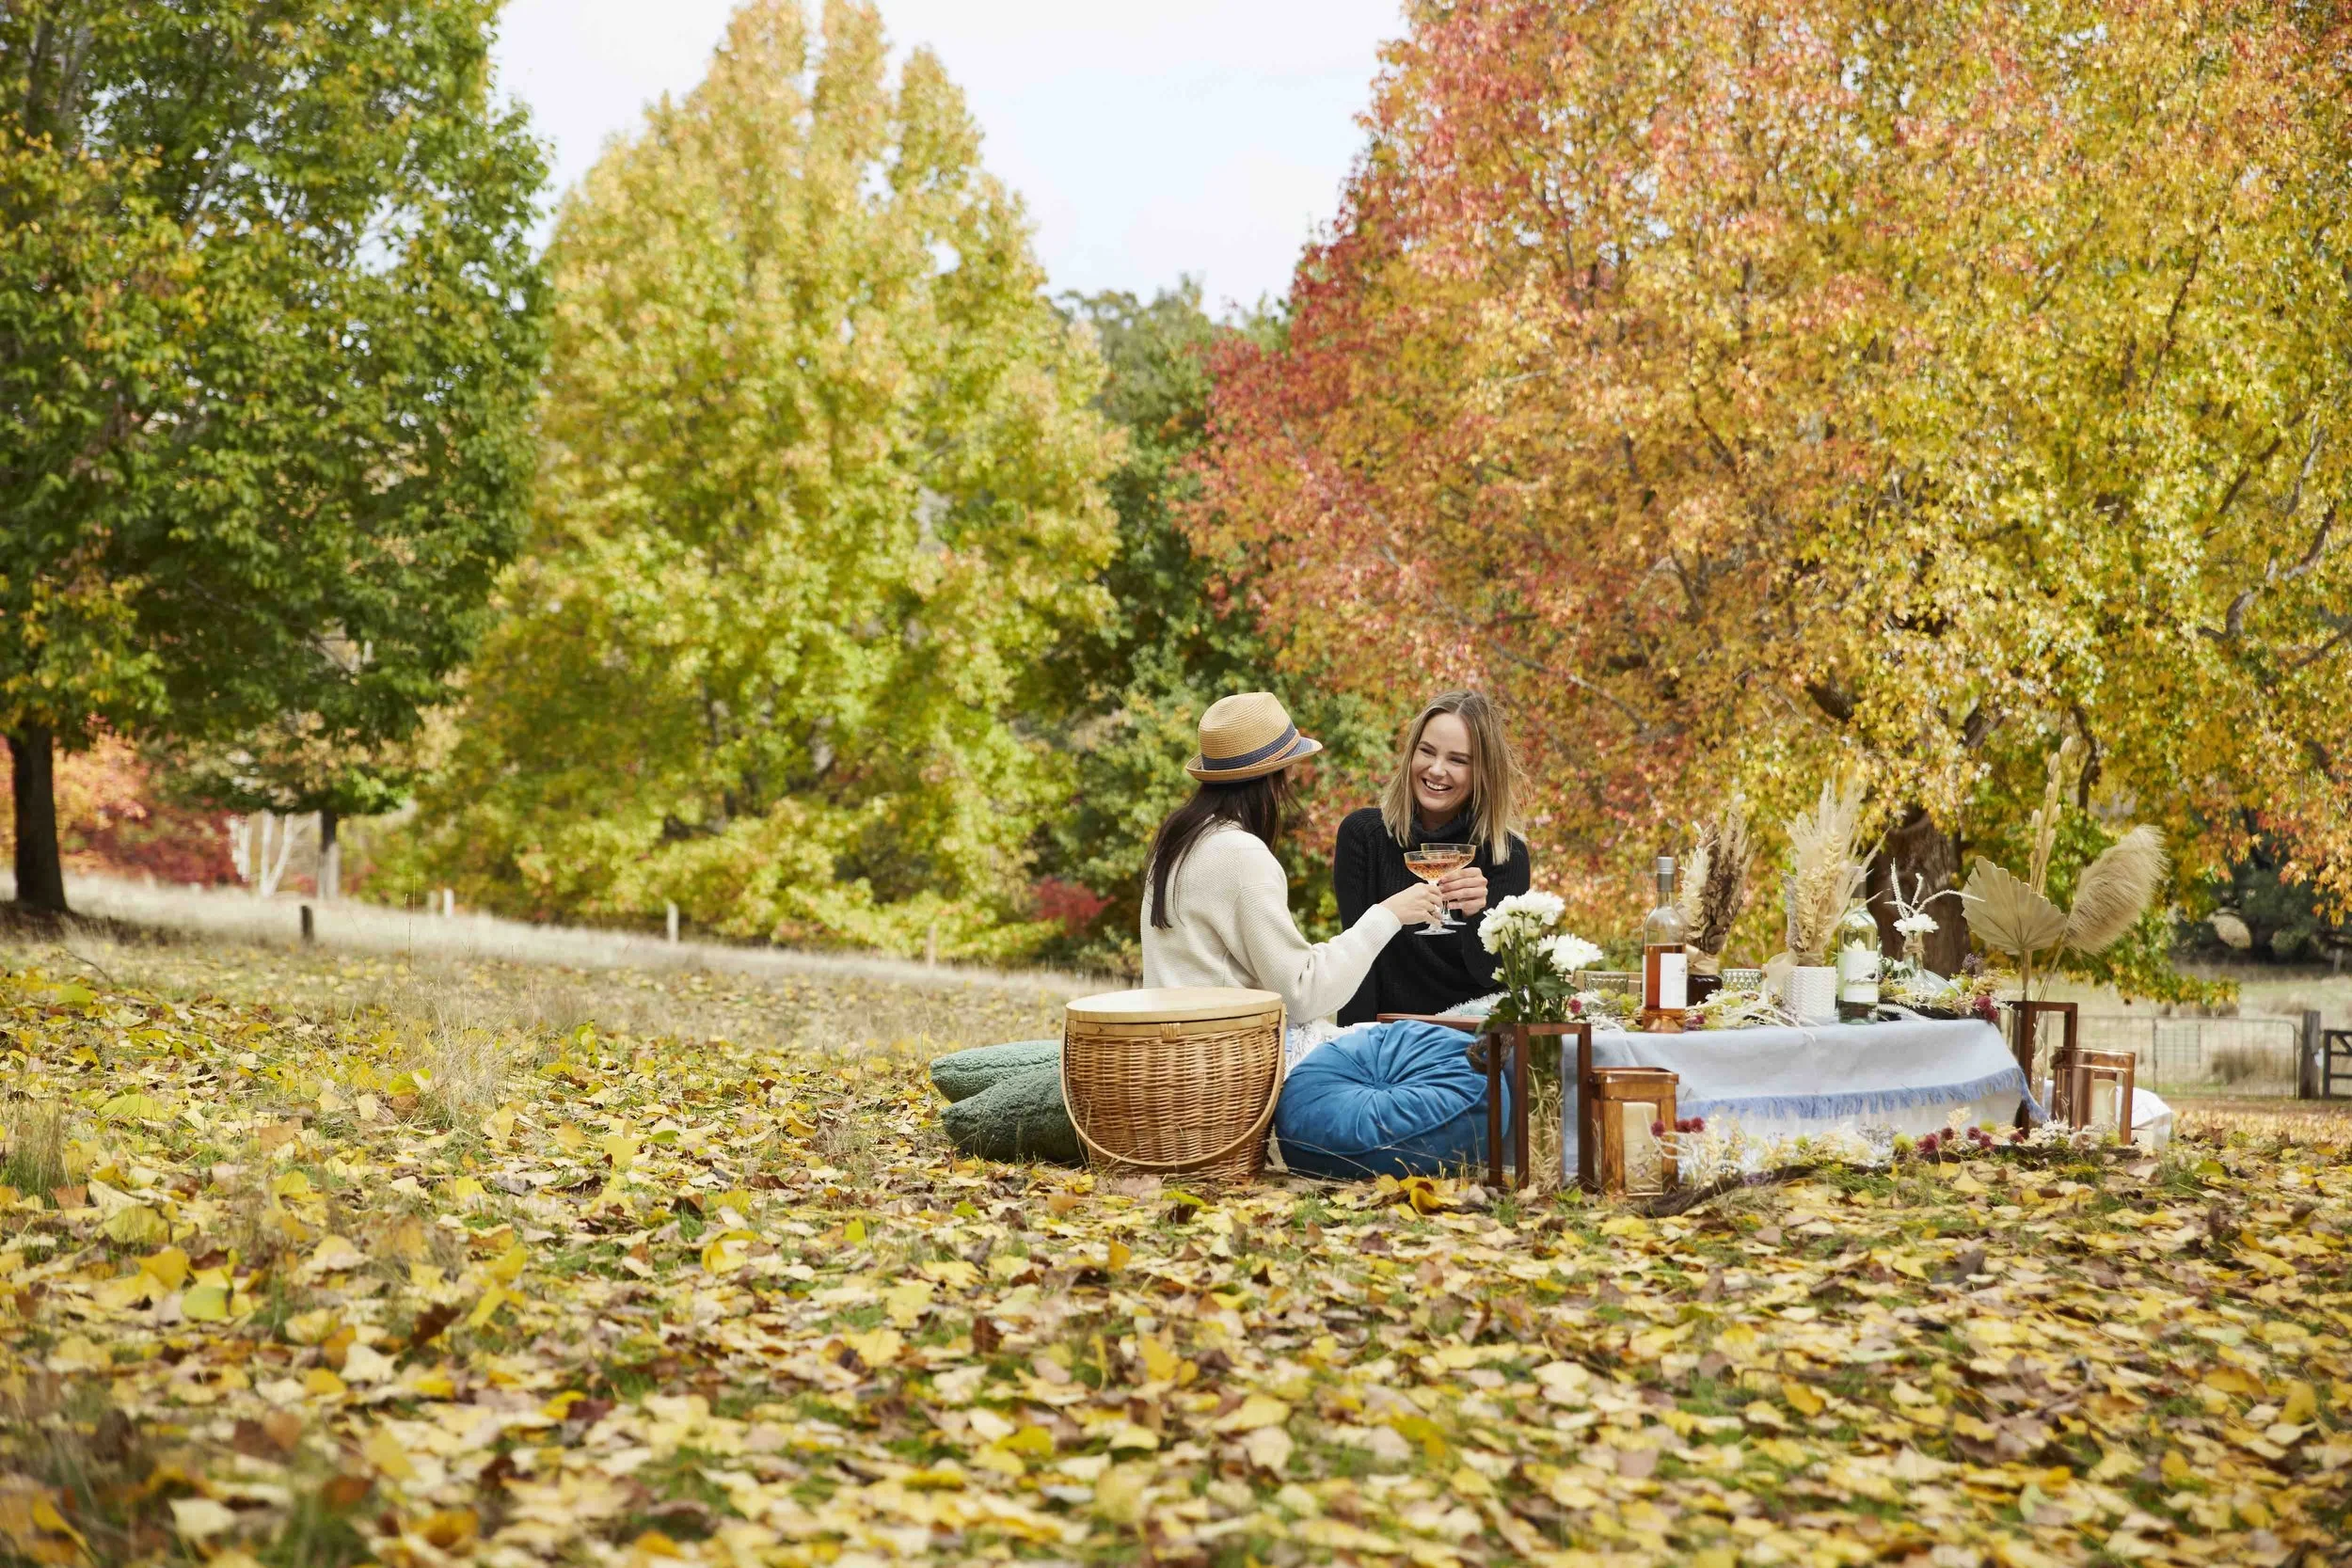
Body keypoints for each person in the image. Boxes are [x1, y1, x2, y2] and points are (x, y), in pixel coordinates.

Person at [1140, 691, 1440, 1041]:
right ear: (1277, 774)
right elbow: (1302, 995)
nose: (1295, 778)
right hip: (1227, 1061)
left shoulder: (1179, 841)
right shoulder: (1240, 854)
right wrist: (1388, 915)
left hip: (1175, 1052)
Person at [1333, 690, 1533, 1024]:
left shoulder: (1505, 854)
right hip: (1383, 1035)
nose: (1436, 770)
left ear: (1483, 772)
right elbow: (1358, 967)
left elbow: (1497, 980)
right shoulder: (1364, 836)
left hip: (1468, 1041)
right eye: (1426, 752)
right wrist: (1360, 1050)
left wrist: (1479, 917)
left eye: (1458, 760)